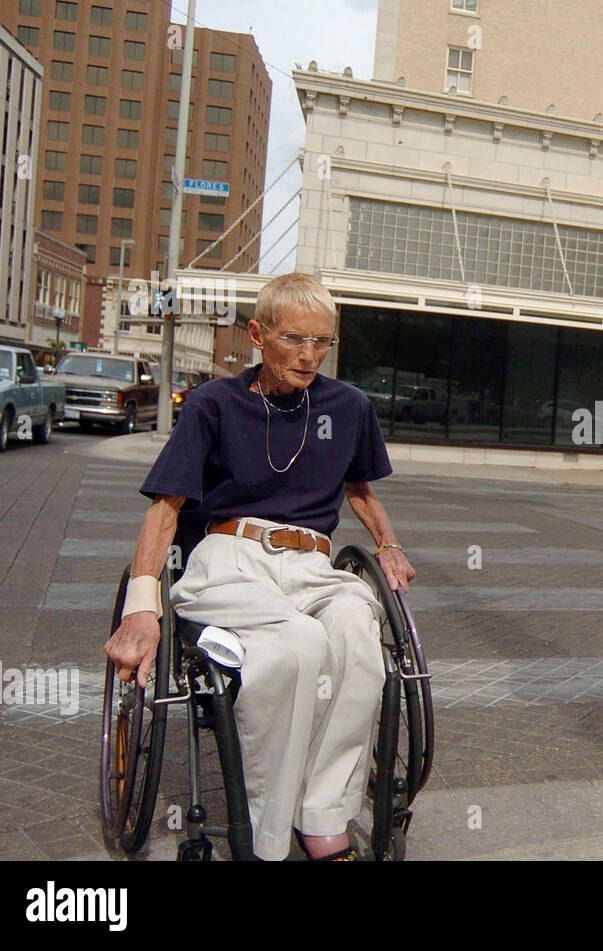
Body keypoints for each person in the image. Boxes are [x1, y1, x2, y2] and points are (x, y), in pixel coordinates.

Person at [104, 272, 415, 861]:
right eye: (295, 339)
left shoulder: (348, 406)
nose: (309, 355)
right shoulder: (213, 404)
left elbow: (361, 489)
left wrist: (388, 545)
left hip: (316, 564)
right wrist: (142, 609)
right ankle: (265, 836)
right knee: (295, 644)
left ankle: (323, 817)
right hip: (232, 558)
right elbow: (166, 508)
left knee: (357, 632)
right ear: (257, 334)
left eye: (322, 342)